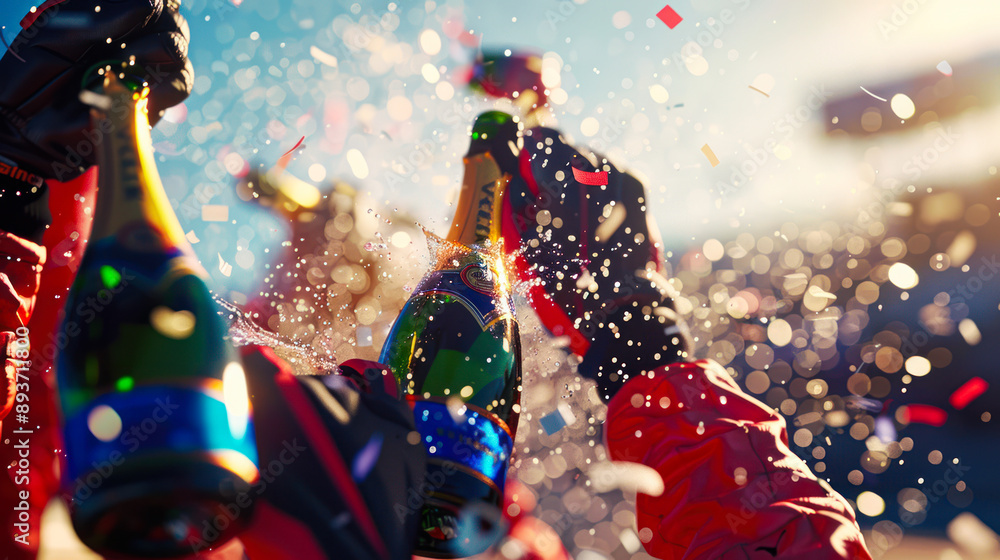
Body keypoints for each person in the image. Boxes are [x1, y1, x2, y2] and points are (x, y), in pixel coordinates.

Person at [0, 1, 872, 559]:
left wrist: (22, 196)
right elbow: (79, 377)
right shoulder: (308, 432)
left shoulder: (422, 496)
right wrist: (646, 350)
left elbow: (57, 409)